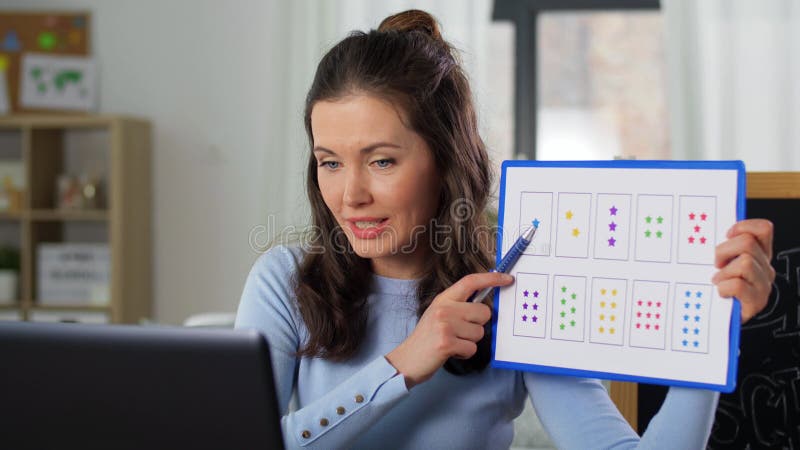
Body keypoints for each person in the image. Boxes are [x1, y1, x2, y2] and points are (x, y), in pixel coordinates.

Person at [236, 10, 775, 449]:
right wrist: (402, 365)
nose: (350, 195)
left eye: (381, 162)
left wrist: (708, 327)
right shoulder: (283, 282)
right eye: (330, 162)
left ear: (446, 162)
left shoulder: (515, 288)